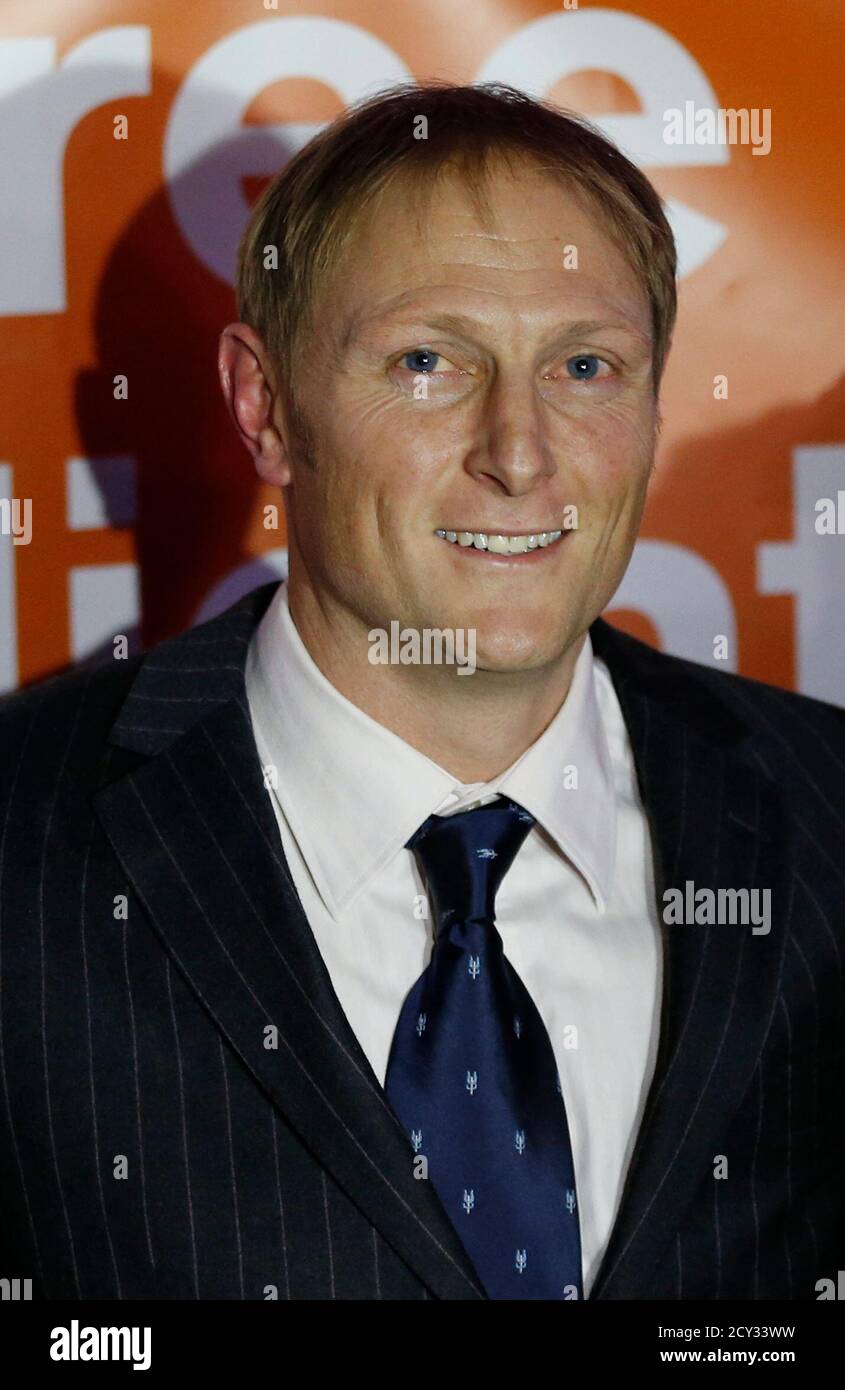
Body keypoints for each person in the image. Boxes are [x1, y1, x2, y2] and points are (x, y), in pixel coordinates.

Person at [0, 83, 842, 1302]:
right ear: (265, 405)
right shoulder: (23, 834)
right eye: (427, 359)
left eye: (584, 364)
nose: (517, 450)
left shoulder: (820, 813)